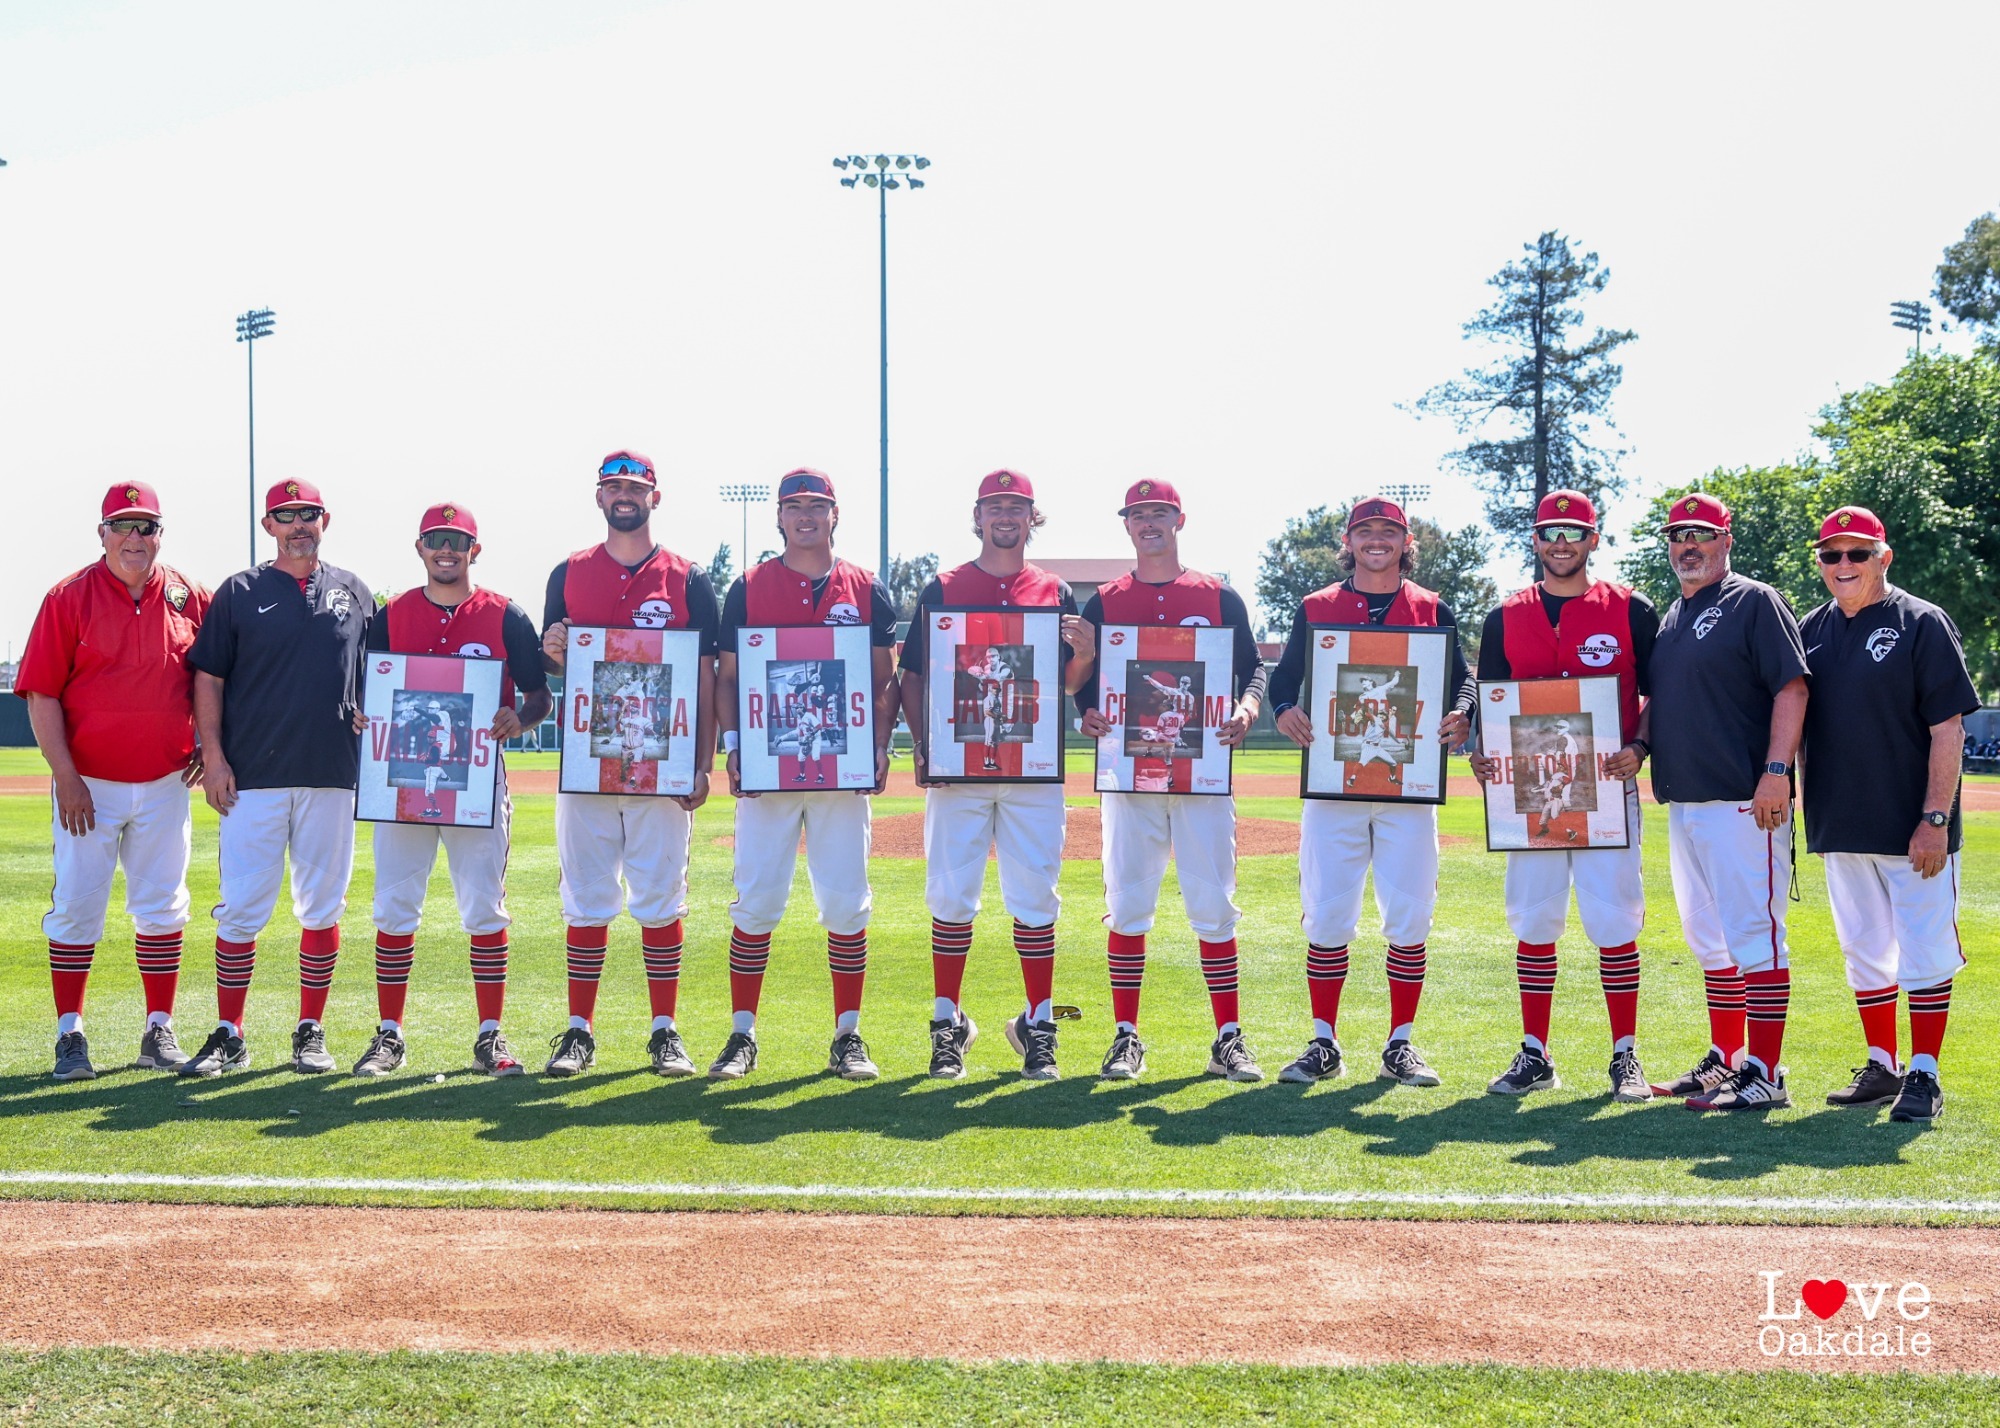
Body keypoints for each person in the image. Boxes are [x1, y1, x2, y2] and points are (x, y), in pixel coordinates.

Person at [1267, 496, 1473, 1087]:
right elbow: (1284, 680)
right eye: (1365, 531)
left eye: (1388, 531)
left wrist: (1462, 714)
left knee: (1409, 915)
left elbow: (1463, 682)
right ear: (1349, 541)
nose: (1376, 540)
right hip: (1334, 784)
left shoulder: (1430, 606)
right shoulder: (1318, 606)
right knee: (1328, 915)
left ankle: (1400, 1044)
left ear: (1406, 542)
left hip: (1408, 785)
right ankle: (1323, 1042)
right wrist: (1283, 710)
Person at [900, 469, 1095, 1080]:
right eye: (994, 506)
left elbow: (1068, 685)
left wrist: (1086, 654)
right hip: (958, 767)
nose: (1005, 516)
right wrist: (925, 747)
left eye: (1016, 506)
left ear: (1031, 517)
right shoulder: (943, 586)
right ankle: (948, 1024)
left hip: (1033, 768)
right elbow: (913, 675)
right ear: (978, 516)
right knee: (951, 897)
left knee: (1035, 898)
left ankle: (1039, 1025)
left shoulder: (1055, 591)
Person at [1465, 490, 1658, 1102]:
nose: (1561, 543)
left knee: (1615, 919)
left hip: (1606, 786)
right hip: (1531, 790)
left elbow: (1659, 694)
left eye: (1574, 532)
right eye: (1550, 531)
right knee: (1535, 918)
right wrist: (1481, 753)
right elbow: (1491, 701)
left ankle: (1625, 1054)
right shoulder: (1504, 616)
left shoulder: (1631, 608)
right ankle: (1535, 1053)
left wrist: (1641, 746)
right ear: (1535, 540)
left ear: (1593, 540)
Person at [17, 482, 211, 1079]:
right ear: (101, 533)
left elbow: (214, 680)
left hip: (165, 780)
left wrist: (211, 744)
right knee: (77, 907)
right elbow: (41, 693)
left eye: (146, 526)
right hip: (89, 785)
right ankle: (70, 1033)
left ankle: (159, 1029)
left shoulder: (190, 596)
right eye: (123, 525)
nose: (135, 537)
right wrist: (66, 776)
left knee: (163, 908)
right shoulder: (68, 596)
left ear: (160, 534)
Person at [1075, 479, 1266, 1082]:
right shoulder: (1104, 602)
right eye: (1139, 515)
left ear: (1179, 520)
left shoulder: (1219, 596)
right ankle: (1126, 1036)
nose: (1149, 523)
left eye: (1159, 513)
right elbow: (1082, 676)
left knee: (1213, 905)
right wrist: (1084, 711)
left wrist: (1247, 708)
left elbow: (1253, 669)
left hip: (1201, 771)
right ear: (1126, 525)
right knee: (1128, 906)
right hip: (1129, 774)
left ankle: (1228, 1038)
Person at [182, 479, 374, 1077]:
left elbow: (380, 674)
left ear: (325, 520)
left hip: (331, 772)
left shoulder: (356, 592)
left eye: (308, 514)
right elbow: (208, 678)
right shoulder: (239, 591)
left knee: (322, 909)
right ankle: (229, 1031)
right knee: (241, 909)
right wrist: (214, 758)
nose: (298, 525)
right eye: (285, 515)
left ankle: (310, 1030)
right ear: (268, 525)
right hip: (253, 777)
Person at [712, 469, 899, 1081]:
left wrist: (878, 744)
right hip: (769, 765)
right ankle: (742, 1035)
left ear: (835, 514)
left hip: (841, 769)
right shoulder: (747, 586)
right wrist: (734, 745)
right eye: (794, 506)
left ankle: (848, 1035)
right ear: (779, 517)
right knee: (756, 902)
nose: (806, 516)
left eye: (817, 505)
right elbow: (729, 678)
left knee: (845, 903)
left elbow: (883, 680)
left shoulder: (866, 587)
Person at [356, 502, 553, 1078]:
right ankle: (389, 1034)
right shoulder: (389, 616)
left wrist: (521, 718)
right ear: (420, 547)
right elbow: (366, 689)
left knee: (485, 908)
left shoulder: (506, 615)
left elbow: (540, 697)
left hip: (478, 781)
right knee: (394, 909)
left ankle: (490, 1034)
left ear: (474, 550)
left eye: (458, 541)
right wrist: (363, 715)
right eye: (436, 539)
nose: (447, 550)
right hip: (402, 779)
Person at [540, 450, 719, 1077]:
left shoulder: (688, 578)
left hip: (660, 762)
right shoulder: (567, 572)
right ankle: (578, 1031)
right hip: (587, 764)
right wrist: (553, 648)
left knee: (661, 897)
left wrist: (703, 761)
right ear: (599, 497)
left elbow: (705, 675)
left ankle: (665, 1030)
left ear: (654, 497)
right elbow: (553, 662)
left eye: (635, 488)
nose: (624, 496)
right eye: (614, 487)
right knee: (586, 899)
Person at [1799, 506, 1978, 1122]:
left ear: (1884, 558)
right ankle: (1882, 1065)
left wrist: (1935, 819)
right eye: (1832, 554)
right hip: (1841, 823)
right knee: (1864, 951)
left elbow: (1948, 729)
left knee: (1925, 950)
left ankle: (1925, 1074)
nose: (1844, 564)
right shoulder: (1810, 628)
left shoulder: (1922, 621)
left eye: (1858, 552)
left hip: (1911, 828)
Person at [1640, 492, 1808, 1111]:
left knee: (1755, 936)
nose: (1689, 545)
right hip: (1686, 800)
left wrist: (1776, 772)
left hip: (1743, 799)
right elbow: (1661, 701)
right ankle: (1727, 1059)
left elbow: (1792, 688)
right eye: (1678, 535)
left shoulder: (1753, 600)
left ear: (1726, 540)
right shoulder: (1673, 616)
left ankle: (1765, 1072)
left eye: (1702, 533)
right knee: (1709, 939)